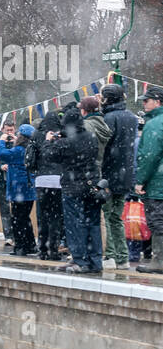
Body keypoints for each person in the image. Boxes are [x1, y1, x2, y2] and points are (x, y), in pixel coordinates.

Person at [46, 104, 104, 273]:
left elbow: (49, 155)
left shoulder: (65, 142)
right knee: (92, 223)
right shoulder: (91, 137)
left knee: (75, 223)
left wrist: (48, 141)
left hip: (73, 187)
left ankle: (80, 260)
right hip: (92, 185)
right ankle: (95, 261)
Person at [99, 81, 139, 271]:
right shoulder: (131, 118)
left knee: (108, 216)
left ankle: (111, 255)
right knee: (117, 217)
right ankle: (123, 258)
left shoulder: (108, 118)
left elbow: (104, 147)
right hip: (126, 172)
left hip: (109, 172)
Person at [24, 110, 64, 261]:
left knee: (42, 217)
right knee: (56, 217)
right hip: (58, 181)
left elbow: (30, 160)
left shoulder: (37, 135)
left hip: (41, 181)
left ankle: (42, 249)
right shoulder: (60, 135)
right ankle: (53, 249)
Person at [0, 123, 37, 255]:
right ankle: (31, 245)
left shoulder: (18, 150)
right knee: (25, 217)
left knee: (17, 218)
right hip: (30, 189)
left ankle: (20, 246)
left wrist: (2, 141)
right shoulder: (31, 149)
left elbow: (1, 154)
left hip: (19, 189)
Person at [135, 84, 163, 274]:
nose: (144, 103)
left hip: (157, 183)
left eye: (147, 100)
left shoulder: (154, 124)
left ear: (158, 101)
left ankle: (159, 260)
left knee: (157, 221)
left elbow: (149, 156)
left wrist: (140, 180)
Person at [0, 122, 15, 245]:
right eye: (7, 130)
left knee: (17, 208)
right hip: (2, 179)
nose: (9, 133)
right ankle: (8, 235)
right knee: (5, 208)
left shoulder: (18, 141)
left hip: (15, 180)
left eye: (11, 130)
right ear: (2, 130)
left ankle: (17, 234)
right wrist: (0, 166)